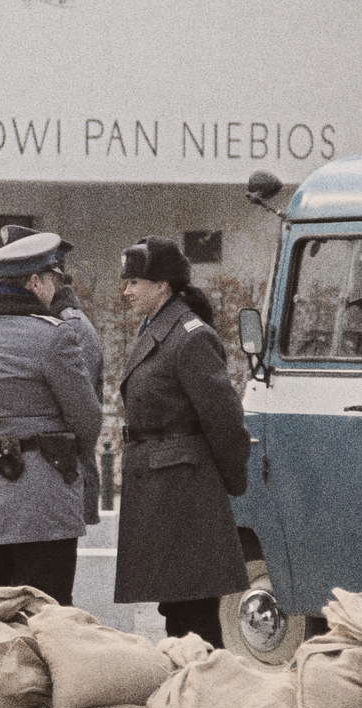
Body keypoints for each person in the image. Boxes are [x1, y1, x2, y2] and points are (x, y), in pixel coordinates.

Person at [0, 233, 102, 605]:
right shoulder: (52, 336)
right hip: (42, 493)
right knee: (47, 609)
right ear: (34, 282)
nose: (55, 289)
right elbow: (87, 419)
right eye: (53, 280)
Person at [113, 235, 251, 647]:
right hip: (164, 487)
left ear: (162, 285)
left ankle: (204, 682)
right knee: (175, 608)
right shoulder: (159, 328)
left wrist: (229, 481)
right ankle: (189, 681)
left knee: (193, 612)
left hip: (185, 491)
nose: (126, 291)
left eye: (135, 282)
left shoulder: (190, 335)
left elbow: (225, 420)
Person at [0, 225, 106, 523]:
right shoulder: (36, 322)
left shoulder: (70, 327)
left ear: (47, 279)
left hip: (61, 470)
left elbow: (80, 412)